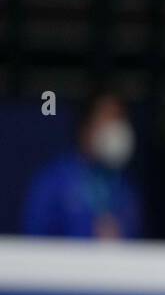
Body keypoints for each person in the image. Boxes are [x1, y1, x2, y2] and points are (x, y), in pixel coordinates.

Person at [23, 89, 142, 240]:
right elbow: (33, 244)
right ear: (86, 127)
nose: (115, 128)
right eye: (107, 118)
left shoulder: (126, 187)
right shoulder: (53, 182)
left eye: (119, 118)